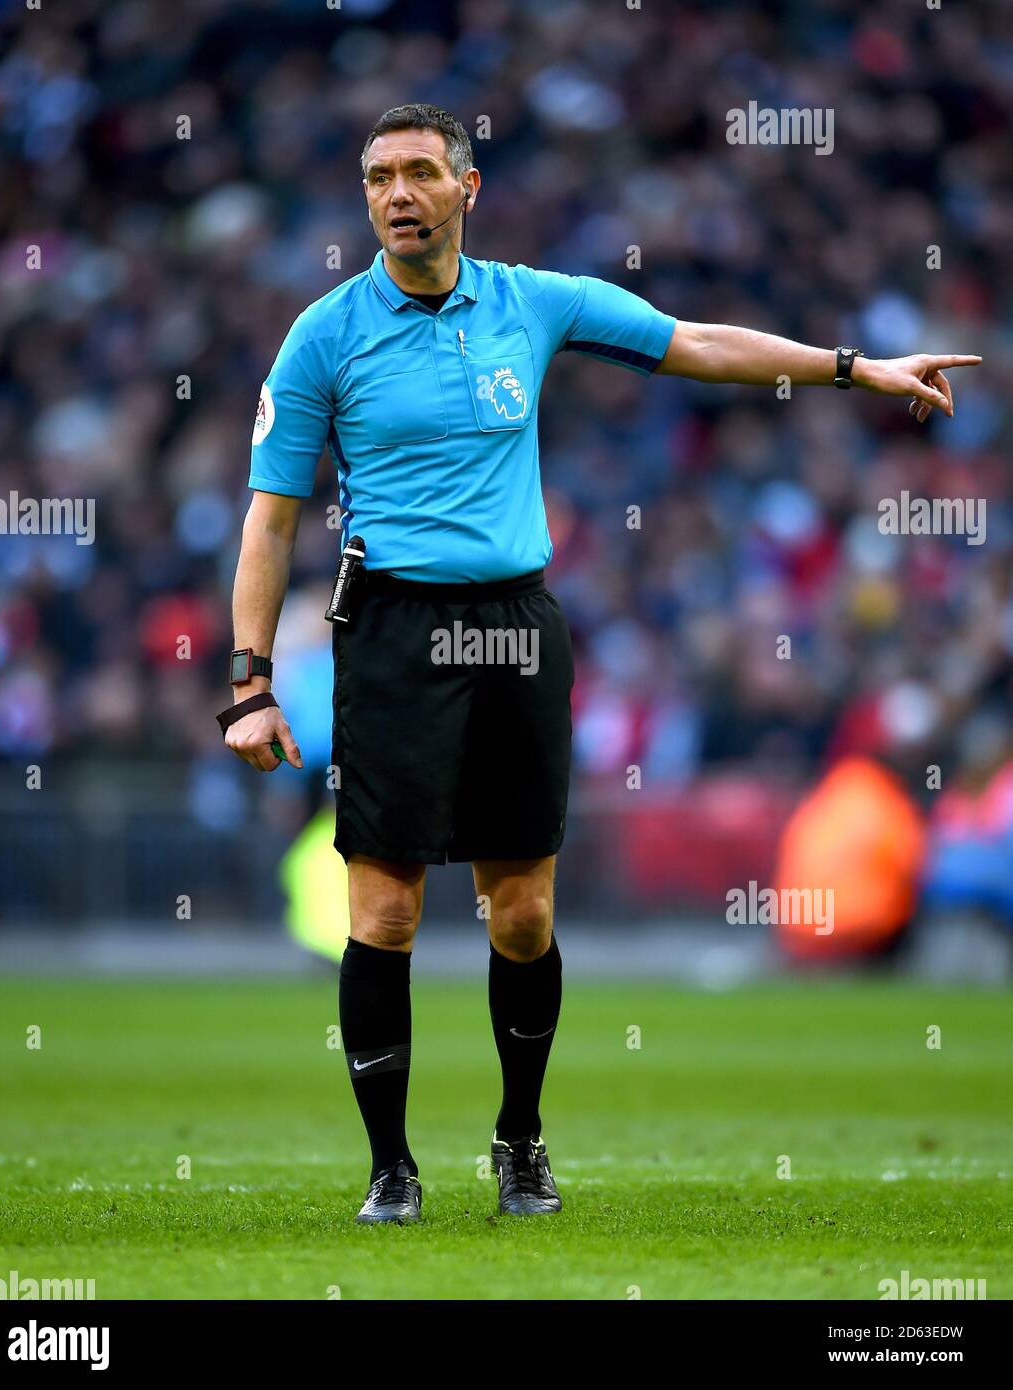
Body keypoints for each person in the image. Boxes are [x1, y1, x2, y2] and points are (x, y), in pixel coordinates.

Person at [218, 103, 982, 1223]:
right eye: (379, 175)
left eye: (421, 171)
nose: (397, 193)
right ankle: (390, 1165)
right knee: (380, 912)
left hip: (517, 629)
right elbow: (268, 523)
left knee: (519, 913)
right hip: (389, 635)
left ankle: (518, 1140)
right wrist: (247, 683)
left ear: (464, 188)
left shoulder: (533, 302)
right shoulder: (323, 336)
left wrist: (853, 369)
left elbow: (694, 343)